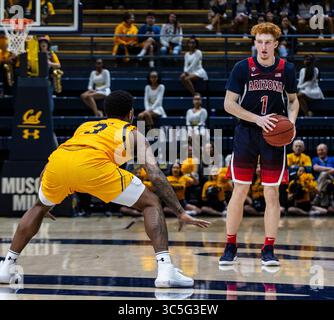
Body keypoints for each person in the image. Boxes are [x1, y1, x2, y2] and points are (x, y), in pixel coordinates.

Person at [0, 90, 210, 287]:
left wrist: (46, 200)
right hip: (95, 167)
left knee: (38, 206)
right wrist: (180, 212)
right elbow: (155, 175)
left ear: (106, 113)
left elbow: (53, 163)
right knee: (151, 203)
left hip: (57, 164)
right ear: (130, 113)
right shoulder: (133, 132)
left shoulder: (85, 127)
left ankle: (6, 266)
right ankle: (165, 270)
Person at [220, 22, 299, 267]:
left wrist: (292, 123)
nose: (263, 47)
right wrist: (257, 119)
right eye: (259, 42)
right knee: (240, 189)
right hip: (247, 133)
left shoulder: (287, 69)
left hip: (274, 137)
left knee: (271, 192)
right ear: (254, 43)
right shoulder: (242, 68)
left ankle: (268, 248)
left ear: (276, 44)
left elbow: (294, 101)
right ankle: (230, 245)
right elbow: (229, 104)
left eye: (268, 42)